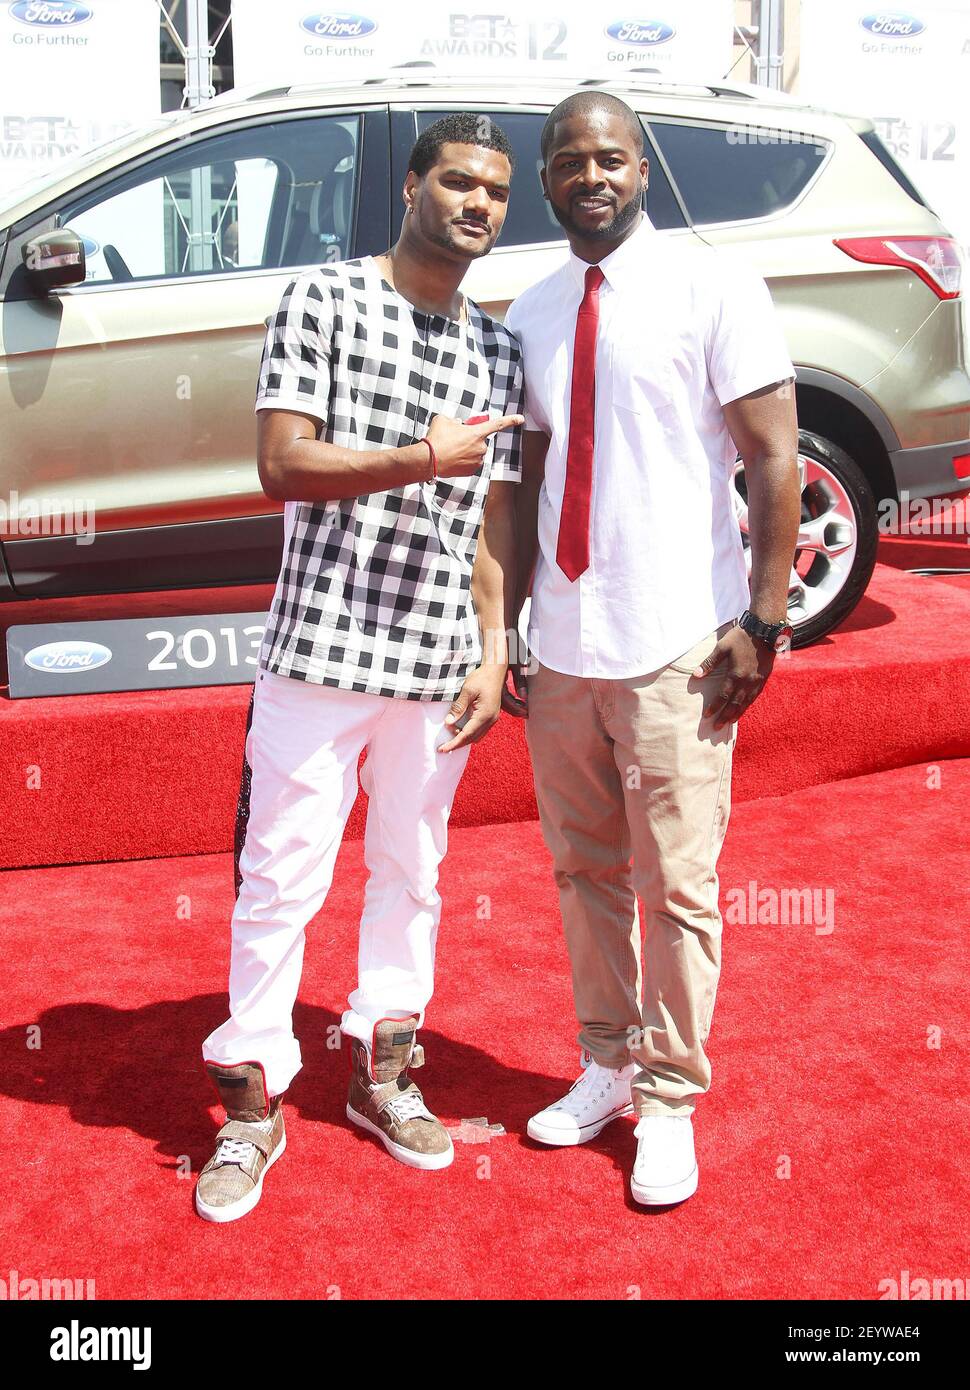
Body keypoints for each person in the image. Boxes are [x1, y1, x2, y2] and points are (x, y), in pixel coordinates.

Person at [196, 113, 524, 1222]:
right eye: (457, 182)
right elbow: (281, 463)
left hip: (435, 664)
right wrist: (421, 456)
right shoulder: (324, 300)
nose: (476, 204)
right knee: (280, 875)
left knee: (413, 874)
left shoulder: (499, 347)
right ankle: (250, 1103)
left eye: (494, 191)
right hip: (317, 652)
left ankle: (383, 1073)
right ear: (410, 187)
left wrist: (494, 645)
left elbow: (492, 516)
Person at [503, 91, 800, 1206]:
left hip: (679, 634)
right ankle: (606, 1063)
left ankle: (669, 1098)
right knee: (584, 869)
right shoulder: (528, 309)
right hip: (568, 639)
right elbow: (526, 481)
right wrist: (516, 624)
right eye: (570, 160)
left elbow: (773, 457)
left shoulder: (712, 285)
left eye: (610, 157)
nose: (591, 174)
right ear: (547, 179)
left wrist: (761, 621)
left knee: (676, 882)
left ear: (640, 168)